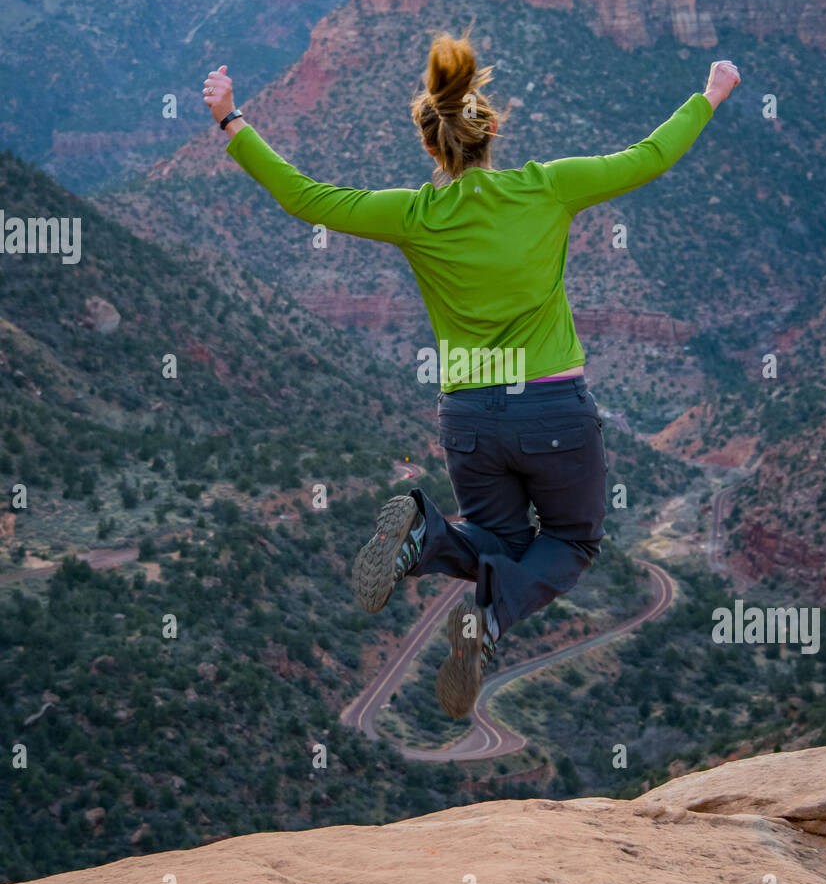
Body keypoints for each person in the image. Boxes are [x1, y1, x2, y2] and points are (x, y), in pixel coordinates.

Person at [203, 37, 740, 718]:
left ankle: (426, 536)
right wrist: (709, 95)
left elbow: (306, 198)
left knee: (502, 539)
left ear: (433, 148)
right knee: (572, 540)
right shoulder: (548, 186)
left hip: (468, 419)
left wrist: (231, 120)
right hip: (552, 410)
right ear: (491, 134)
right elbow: (649, 156)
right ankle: (488, 618)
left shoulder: (414, 214)